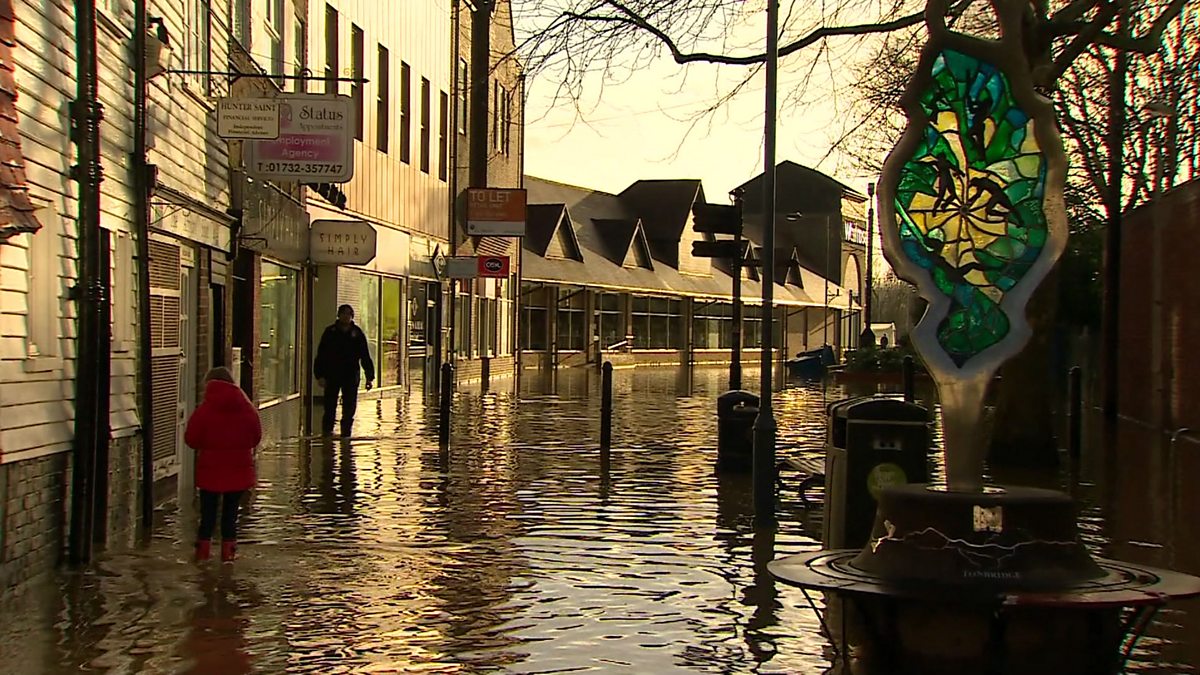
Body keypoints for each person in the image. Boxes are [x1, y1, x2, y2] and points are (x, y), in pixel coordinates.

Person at [184, 367, 262, 563]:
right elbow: (256, 437)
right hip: (238, 471)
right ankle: (228, 557)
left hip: (210, 472)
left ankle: (202, 556)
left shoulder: (204, 410)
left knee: (207, 516)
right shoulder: (247, 409)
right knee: (230, 515)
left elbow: (191, 439)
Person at [314, 304, 375, 438]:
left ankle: (346, 434)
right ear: (339, 315)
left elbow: (364, 356)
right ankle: (327, 434)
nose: (346, 317)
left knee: (349, 406)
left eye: (348, 314)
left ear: (352, 316)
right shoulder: (330, 332)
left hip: (350, 375)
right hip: (332, 374)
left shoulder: (357, 333)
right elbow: (321, 355)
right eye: (343, 314)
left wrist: (369, 377)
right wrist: (320, 375)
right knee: (329, 406)